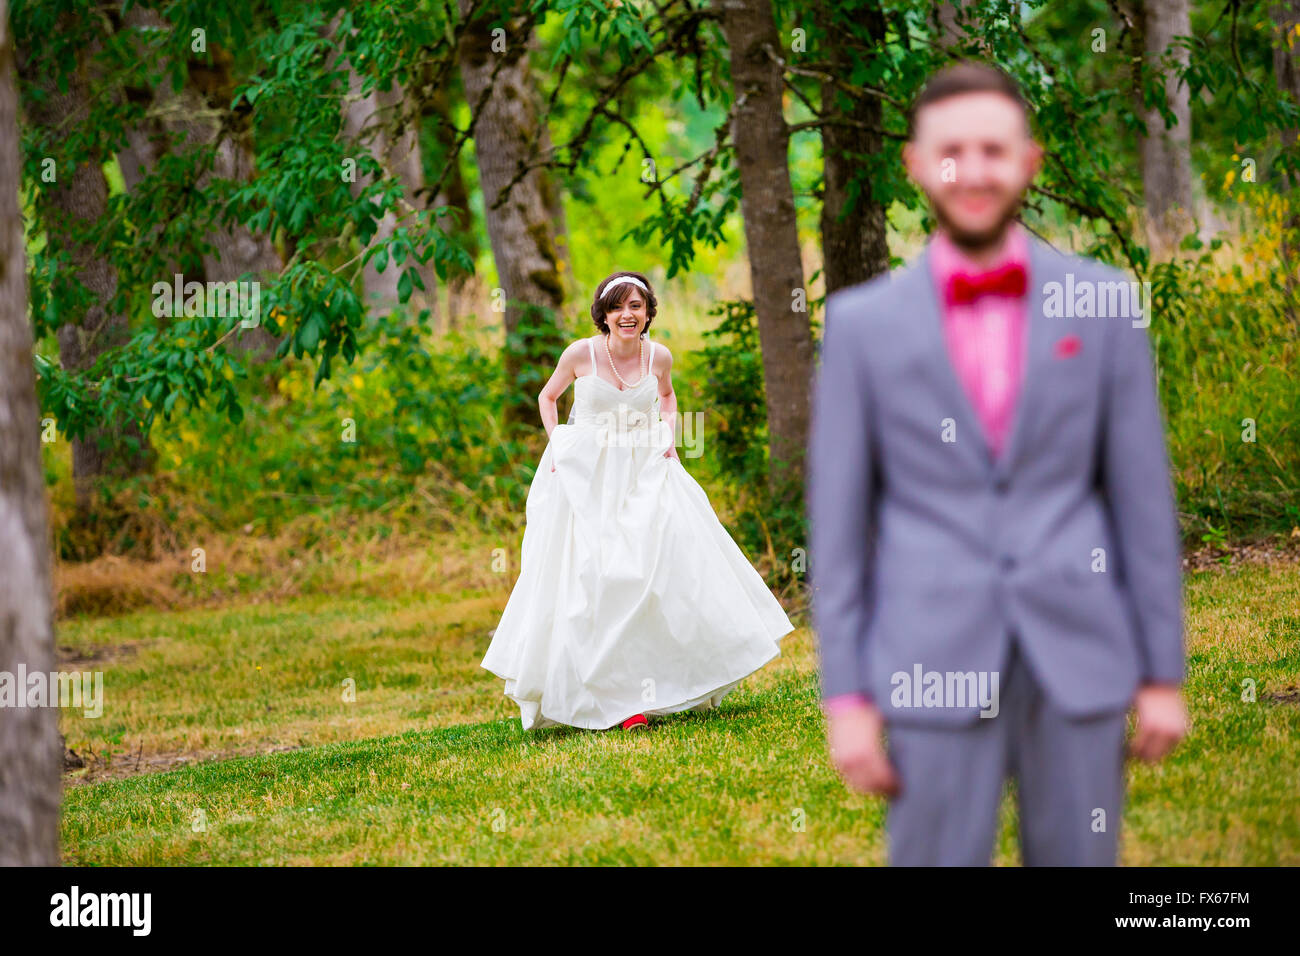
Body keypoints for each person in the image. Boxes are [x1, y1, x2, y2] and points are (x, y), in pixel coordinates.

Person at [808, 61, 1190, 865]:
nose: (972, 171)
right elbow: (838, 533)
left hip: (1079, 656)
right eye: (951, 152)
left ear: (1029, 162)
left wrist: (1162, 673)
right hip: (926, 661)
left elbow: (1141, 505)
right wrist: (845, 697)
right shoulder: (860, 326)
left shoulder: (1106, 305)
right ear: (914, 165)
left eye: (993, 149)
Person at [482, 271, 794, 731]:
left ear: (648, 313)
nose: (626, 315)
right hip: (588, 475)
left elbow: (668, 399)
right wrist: (559, 445)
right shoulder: (580, 354)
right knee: (595, 577)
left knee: (659, 571)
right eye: (617, 307)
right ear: (603, 314)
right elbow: (548, 398)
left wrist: (669, 436)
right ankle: (608, 697)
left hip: (645, 470)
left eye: (636, 306)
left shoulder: (660, 357)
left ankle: (672, 684)